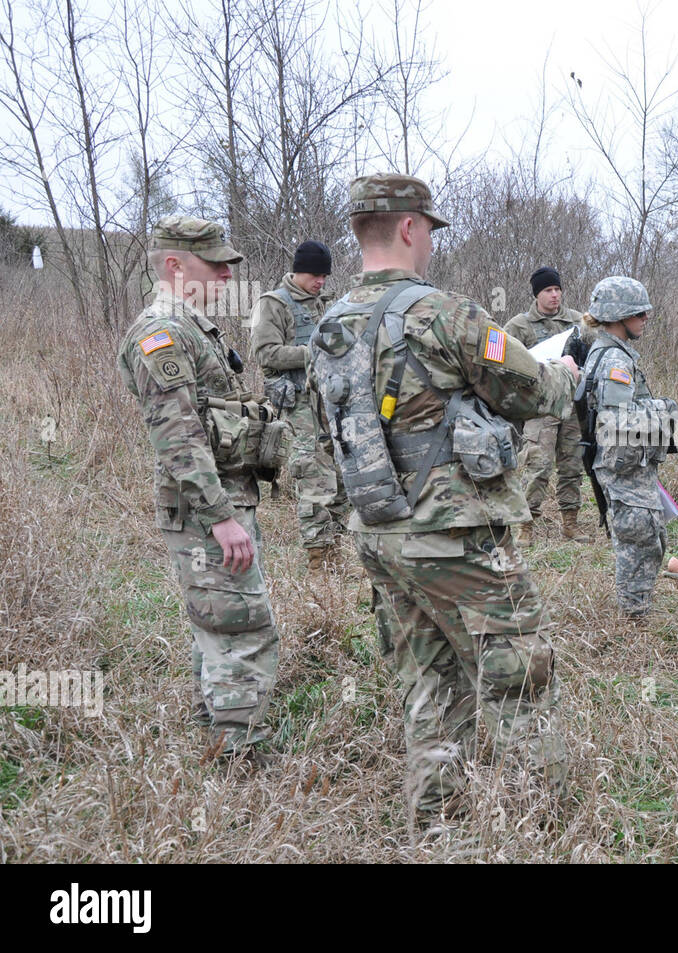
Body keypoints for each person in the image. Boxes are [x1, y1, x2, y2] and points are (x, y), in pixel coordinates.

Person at [310, 174, 579, 832]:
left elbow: (327, 431)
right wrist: (564, 375)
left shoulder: (330, 325)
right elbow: (535, 394)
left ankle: (439, 827)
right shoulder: (445, 314)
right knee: (521, 669)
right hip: (453, 534)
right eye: (428, 229)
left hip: (377, 530)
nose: (429, 242)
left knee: (429, 683)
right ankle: (540, 826)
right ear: (409, 228)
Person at [117, 215, 283, 760]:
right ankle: (240, 755)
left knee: (216, 624)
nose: (226, 275)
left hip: (222, 501)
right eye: (215, 264)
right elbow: (179, 437)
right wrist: (219, 516)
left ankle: (218, 737)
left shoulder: (192, 326)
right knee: (242, 627)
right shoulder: (159, 332)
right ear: (174, 265)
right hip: (205, 511)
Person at [578, 276, 676, 618]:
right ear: (619, 317)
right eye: (639, 313)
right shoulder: (615, 362)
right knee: (640, 541)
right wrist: (665, 410)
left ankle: (636, 609)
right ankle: (634, 618)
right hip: (623, 467)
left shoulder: (611, 353)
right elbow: (617, 422)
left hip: (627, 466)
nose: (646, 318)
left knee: (647, 537)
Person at [250, 240, 350, 569]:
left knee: (340, 475)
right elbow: (266, 353)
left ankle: (336, 548)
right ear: (298, 271)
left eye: (325, 276)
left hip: (334, 402)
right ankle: (318, 560)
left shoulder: (328, 304)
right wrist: (314, 354)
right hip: (300, 406)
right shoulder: (274, 304)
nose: (320, 281)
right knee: (314, 476)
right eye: (315, 275)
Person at [504, 267, 590, 545]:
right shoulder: (519, 325)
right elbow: (503, 360)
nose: (554, 296)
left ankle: (570, 523)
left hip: (574, 405)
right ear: (536, 295)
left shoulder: (578, 321)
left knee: (572, 465)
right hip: (539, 407)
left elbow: (593, 352)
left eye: (557, 290)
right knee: (537, 466)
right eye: (547, 291)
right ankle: (526, 527)